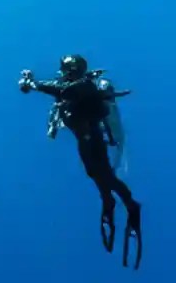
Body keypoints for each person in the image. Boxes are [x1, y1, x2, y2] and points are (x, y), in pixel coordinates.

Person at [19, 54, 142, 269]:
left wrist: (33, 84)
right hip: (83, 138)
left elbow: (63, 90)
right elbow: (57, 90)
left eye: (69, 69)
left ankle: (130, 205)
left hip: (93, 137)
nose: (66, 73)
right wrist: (31, 83)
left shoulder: (84, 85)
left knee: (105, 175)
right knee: (94, 174)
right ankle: (109, 203)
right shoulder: (68, 87)